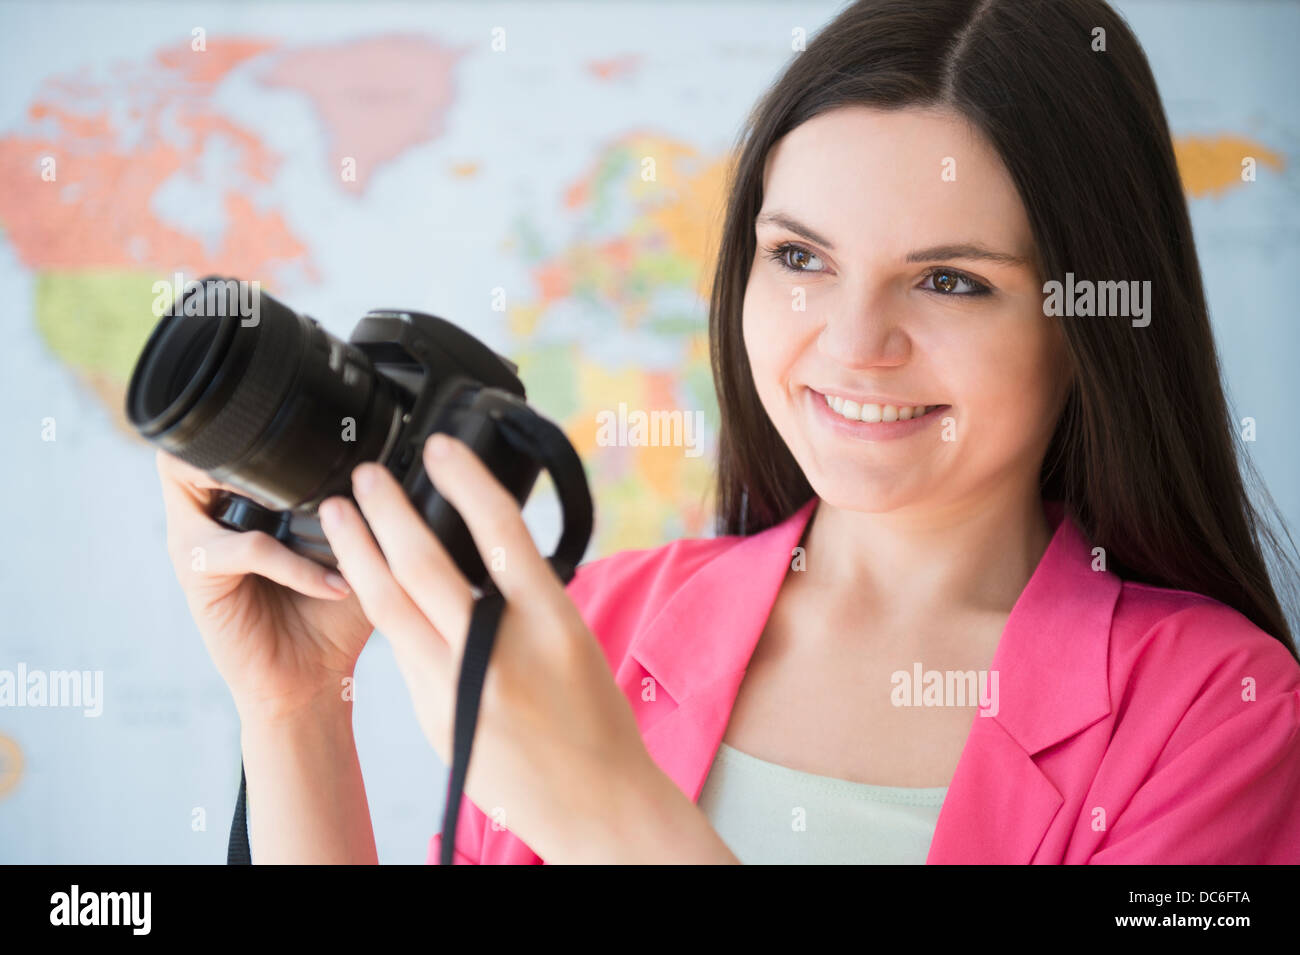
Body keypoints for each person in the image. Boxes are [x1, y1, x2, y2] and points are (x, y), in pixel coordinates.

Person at [155, 0, 1300, 864]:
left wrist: (615, 816)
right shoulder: (595, 622)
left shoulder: (1223, 717)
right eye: (799, 258)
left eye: (948, 281)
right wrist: (297, 711)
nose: (854, 345)